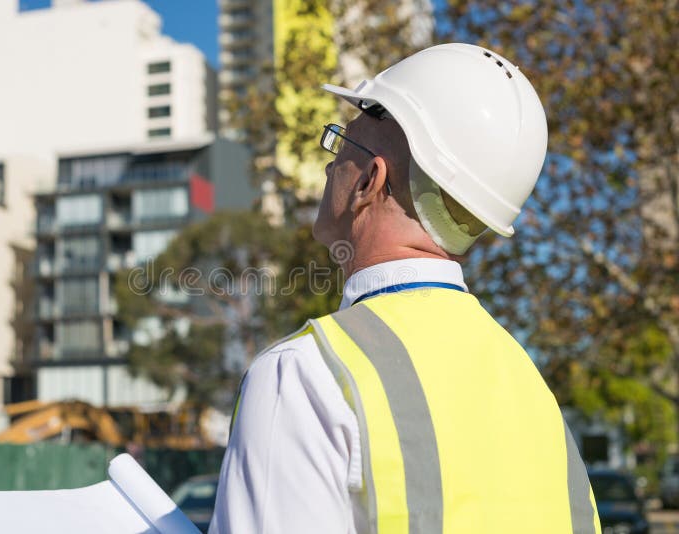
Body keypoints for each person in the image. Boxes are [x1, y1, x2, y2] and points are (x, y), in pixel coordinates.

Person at [209, 43, 601, 534]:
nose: (330, 167)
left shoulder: (305, 377)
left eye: (340, 144)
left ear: (371, 181)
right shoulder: (531, 391)